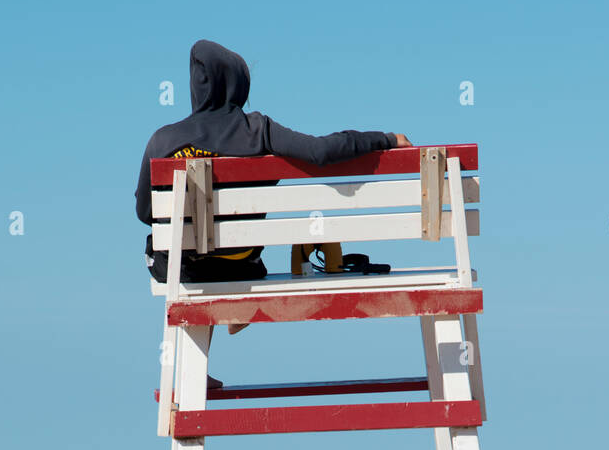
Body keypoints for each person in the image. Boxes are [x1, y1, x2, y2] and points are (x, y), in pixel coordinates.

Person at [136, 39, 411, 288]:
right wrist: (384, 139)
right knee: (237, 256)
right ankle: (235, 310)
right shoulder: (257, 129)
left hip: (183, 270)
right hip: (241, 268)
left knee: (157, 246)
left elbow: (145, 213)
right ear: (238, 84)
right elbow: (321, 151)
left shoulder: (162, 140)